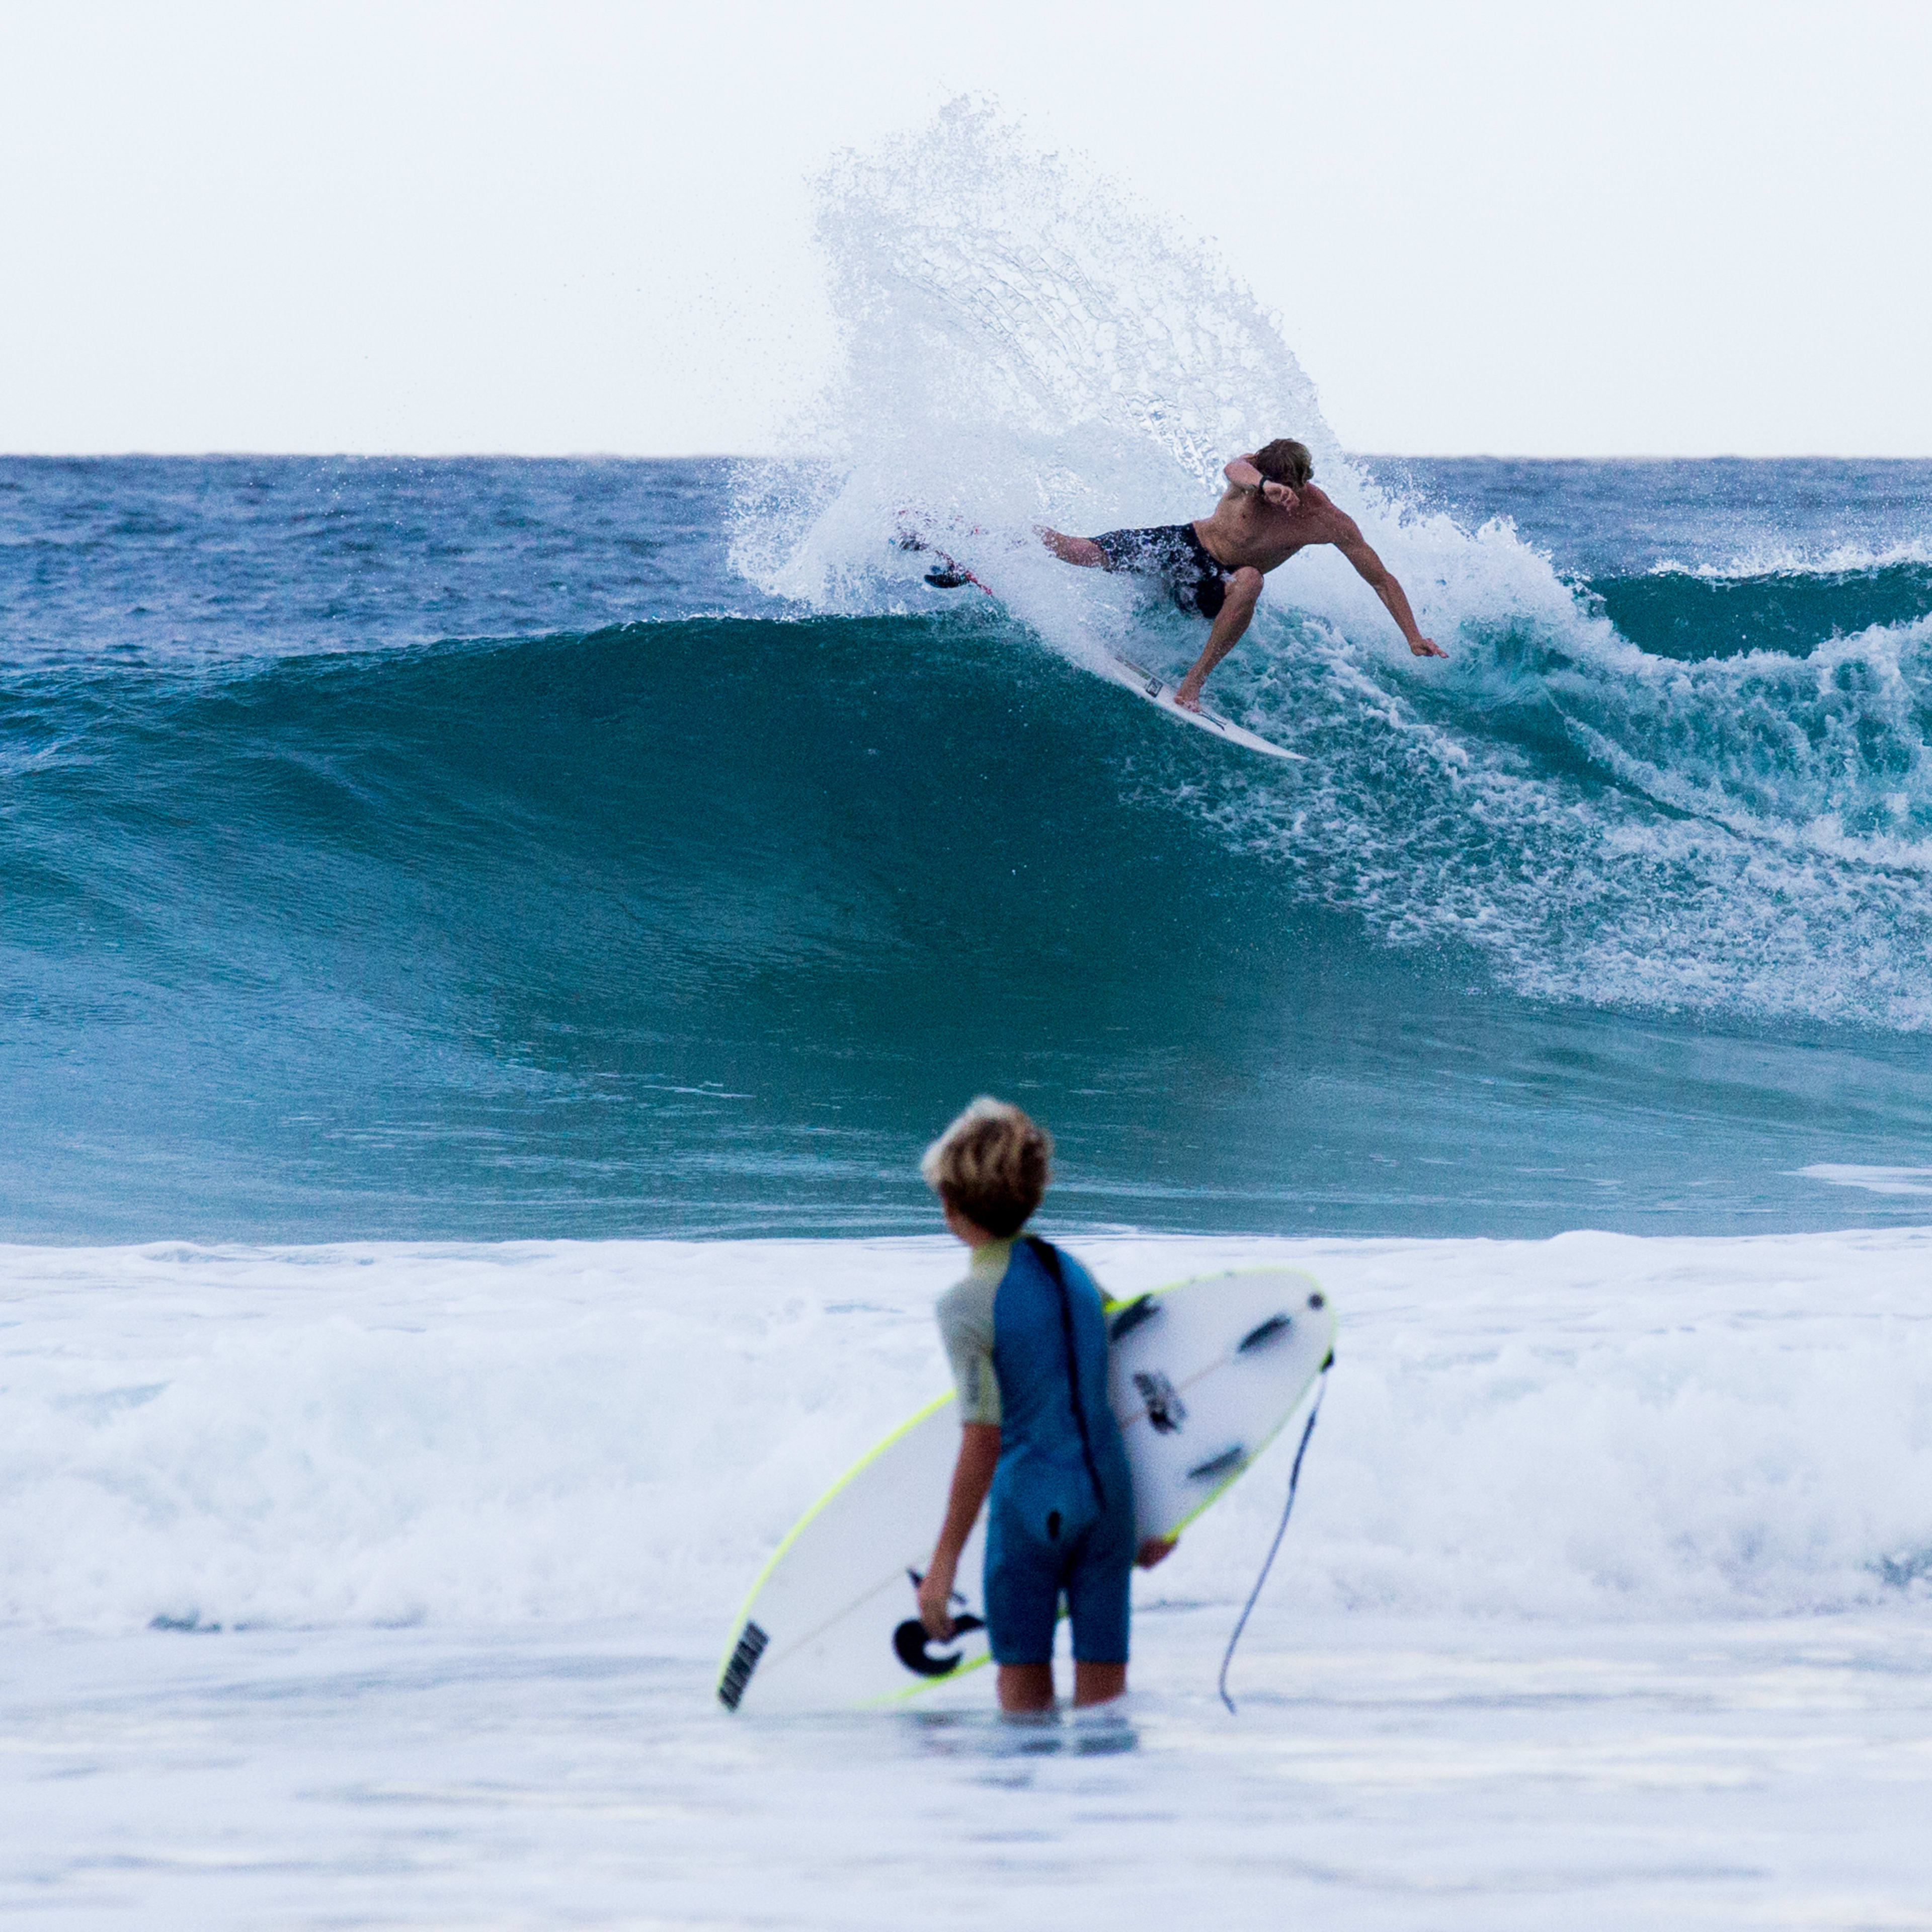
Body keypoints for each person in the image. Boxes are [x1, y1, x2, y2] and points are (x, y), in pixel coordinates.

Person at [916, 1097, 1174, 1715]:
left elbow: (983, 1437)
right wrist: (1155, 1515)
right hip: (1110, 1507)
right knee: (1105, 1718)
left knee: (1023, 1728)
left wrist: (943, 1564)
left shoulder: (966, 1304)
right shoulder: (1077, 1276)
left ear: (952, 1207)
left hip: (1032, 1512)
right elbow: (1129, 1384)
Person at [1038, 437, 1447, 710]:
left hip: (1216, 587)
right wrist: (1264, 485)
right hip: (1185, 546)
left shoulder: (1328, 521)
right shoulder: (1249, 478)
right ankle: (996, 537)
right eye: (1273, 483)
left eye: (1287, 486)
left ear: (1306, 481)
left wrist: (1412, 636)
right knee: (1077, 550)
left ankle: (1193, 683)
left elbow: (1380, 578)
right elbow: (1235, 468)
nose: (1278, 496)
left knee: (1252, 578)